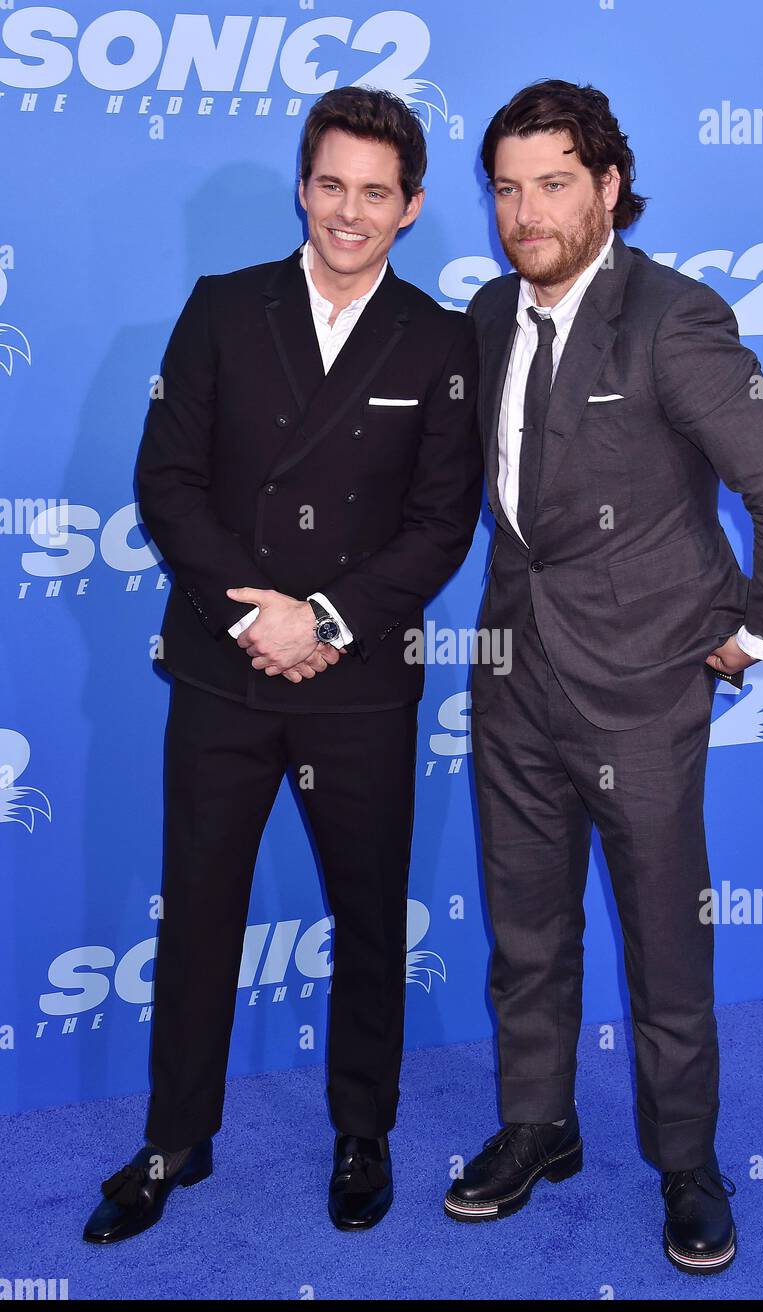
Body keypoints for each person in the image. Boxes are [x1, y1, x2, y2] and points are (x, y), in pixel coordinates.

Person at [82, 86, 482, 1243]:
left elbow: (438, 522)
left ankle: (362, 1129)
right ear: (301, 186)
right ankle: (174, 1137)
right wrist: (257, 616)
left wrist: (326, 619)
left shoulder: (440, 339)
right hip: (224, 663)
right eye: (329, 185)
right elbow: (169, 481)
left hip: (357, 677)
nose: (347, 213)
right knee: (198, 908)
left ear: (408, 208)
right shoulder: (220, 309)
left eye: (375, 193)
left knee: (367, 913)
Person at [443, 79, 763, 1274]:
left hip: (642, 689)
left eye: (552, 183)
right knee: (525, 929)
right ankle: (535, 1124)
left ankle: (686, 1164)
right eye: (506, 189)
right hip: (510, 675)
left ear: (606, 187)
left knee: (665, 943)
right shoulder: (486, 317)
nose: (526, 213)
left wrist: (759, 632)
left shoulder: (674, 317)